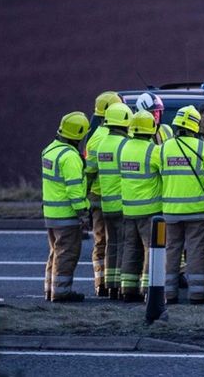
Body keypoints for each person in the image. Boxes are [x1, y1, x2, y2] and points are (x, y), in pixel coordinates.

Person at [161, 105, 204, 304]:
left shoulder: (165, 147)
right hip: (197, 211)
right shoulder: (203, 148)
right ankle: (197, 294)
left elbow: (158, 172)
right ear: (195, 126)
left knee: (172, 251)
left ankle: (169, 294)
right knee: (195, 251)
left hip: (171, 211)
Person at [42, 111, 91, 302]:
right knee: (67, 254)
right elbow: (74, 190)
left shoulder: (49, 150)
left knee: (55, 252)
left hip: (51, 214)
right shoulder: (70, 157)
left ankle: (50, 289)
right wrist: (83, 213)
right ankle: (62, 292)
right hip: (66, 215)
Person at [119, 110, 162, 303]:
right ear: (151, 128)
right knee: (150, 250)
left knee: (130, 248)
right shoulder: (153, 150)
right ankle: (147, 288)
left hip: (129, 209)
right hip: (149, 210)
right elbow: (165, 172)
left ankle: (127, 288)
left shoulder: (124, 147)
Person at [84, 91, 122, 297]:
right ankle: (111, 282)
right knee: (116, 241)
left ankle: (101, 282)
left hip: (97, 196)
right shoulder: (121, 136)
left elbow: (88, 173)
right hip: (114, 196)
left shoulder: (95, 137)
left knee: (101, 241)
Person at [96, 102, 133, 300]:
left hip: (107, 205)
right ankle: (120, 285)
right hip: (122, 205)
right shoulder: (124, 145)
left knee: (112, 245)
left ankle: (110, 284)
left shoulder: (102, 144)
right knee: (125, 245)